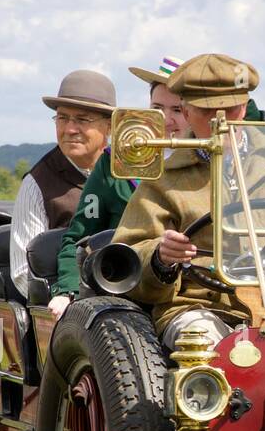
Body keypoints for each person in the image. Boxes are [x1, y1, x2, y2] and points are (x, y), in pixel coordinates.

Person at [111, 52, 265, 347]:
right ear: (186, 110)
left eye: (229, 109)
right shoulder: (164, 180)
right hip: (200, 310)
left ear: (244, 107)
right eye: (207, 111)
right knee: (200, 346)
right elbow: (128, 256)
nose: (220, 121)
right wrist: (161, 257)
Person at [49, 60, 188, 315]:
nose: (167, 120)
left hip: (196, 294)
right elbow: (79, 237)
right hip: (129, 294)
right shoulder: (115, 162)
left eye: (177, 110)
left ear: (195, 113)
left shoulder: (213, 163)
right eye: (157, 108)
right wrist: (68, 291)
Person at [9, 68, 115, 297]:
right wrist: (67, 303)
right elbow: (24, 273)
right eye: (62, 118)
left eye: (82, 119)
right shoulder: (37, 183)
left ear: (110, 126)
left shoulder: (131, 176)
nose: (69, 129)